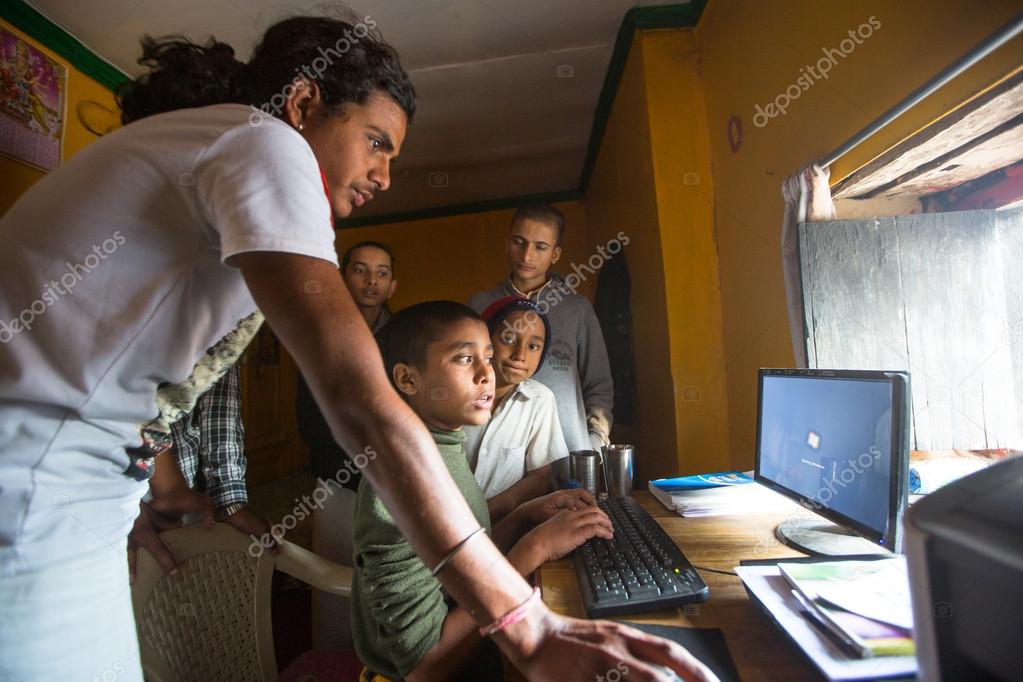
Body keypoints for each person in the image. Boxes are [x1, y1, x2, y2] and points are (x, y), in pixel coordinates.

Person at [0, 15, 715, 682]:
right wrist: (524, 624)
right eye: (376, 141)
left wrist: (149, 483)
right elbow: (358, 395)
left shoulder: (209, 153)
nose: (384, 176)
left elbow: (116, 347)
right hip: (30, 485)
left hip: (65, 488)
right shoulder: (265, 142)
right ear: (304, 105)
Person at [354, 301, 612, 680]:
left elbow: (459, 554)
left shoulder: (442, 442)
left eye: (488, 357)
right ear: (408, 380)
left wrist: (525, 515)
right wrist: (534, 547)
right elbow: (424, 667)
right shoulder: (398, 481)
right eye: (463, 359)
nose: (486, 375)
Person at [469, 205, 615, 455]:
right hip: (496, 450)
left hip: (569, 449)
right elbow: (466, 374)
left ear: (555, 254)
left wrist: (595, 441)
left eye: (540, 247)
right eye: (519, 242)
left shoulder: (577, 308)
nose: (527, 256)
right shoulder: (481, 305)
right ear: (507, 243)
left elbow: (598, 382)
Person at [297, 240, 398, 490]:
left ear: (392, 287)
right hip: (334, 471)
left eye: (382, 273)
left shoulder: (405, 337)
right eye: (360, 270)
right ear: (342, 279)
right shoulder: (319, 338)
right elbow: (309, 419)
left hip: (393, 470)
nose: (371, 280)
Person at [464, 296, 568, 521]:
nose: (520, 355)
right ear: (485, 341)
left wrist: (485, 513)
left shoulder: (540, 400)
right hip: (443, 530)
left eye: (533, 346)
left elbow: (539, 477)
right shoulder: (454, 394)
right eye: (508, 338)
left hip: (505, 524)